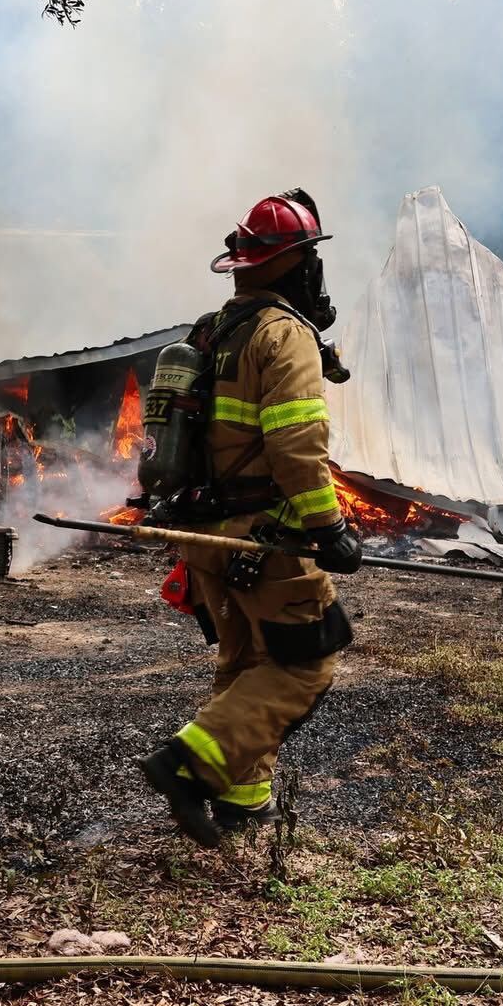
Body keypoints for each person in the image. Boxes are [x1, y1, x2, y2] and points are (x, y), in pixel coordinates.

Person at [137, 191, 363, 847]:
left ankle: (243, 796)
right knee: (305, 663)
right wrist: (329, 531)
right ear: (294, 265)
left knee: (244, 664)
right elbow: (295, 446)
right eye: (309, 259)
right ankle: (187, 767)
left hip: (205, 539)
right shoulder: (282, 335)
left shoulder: (211, 333)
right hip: (266, 541)